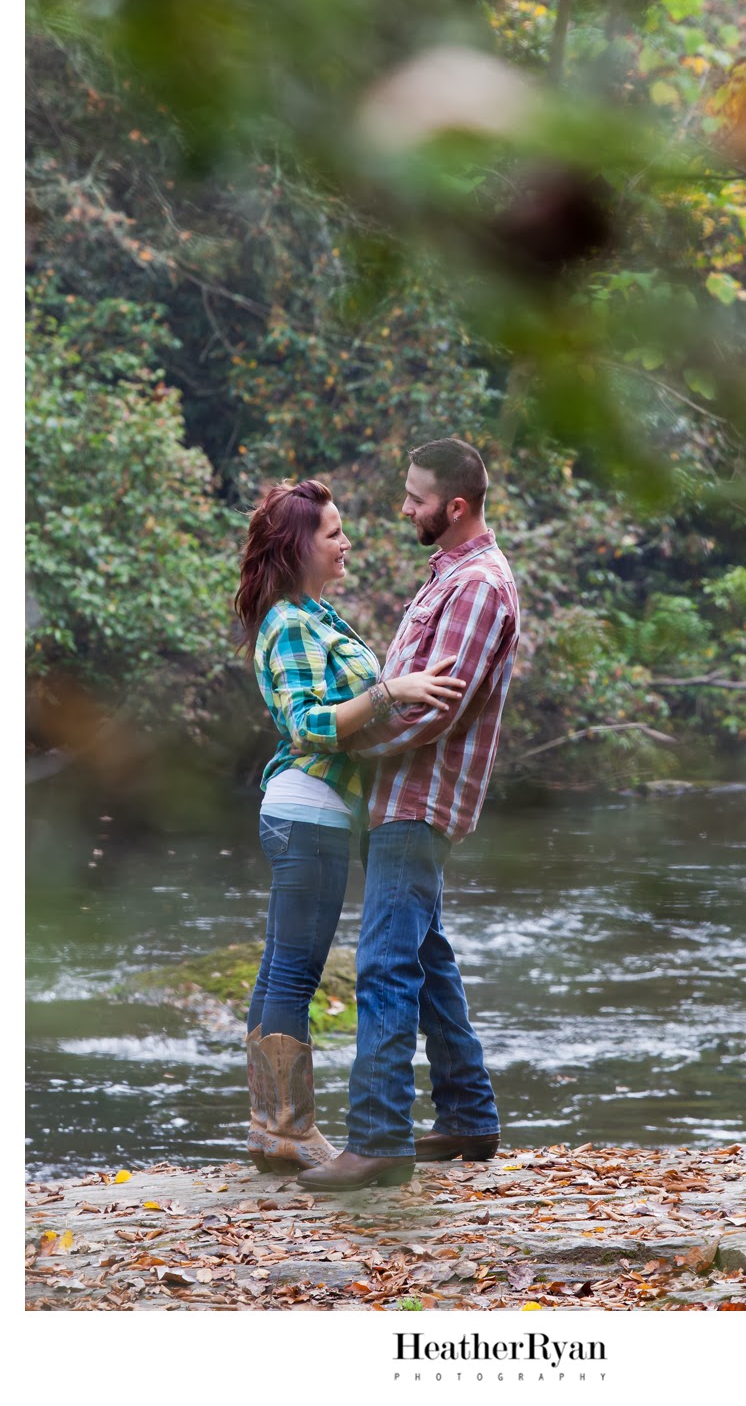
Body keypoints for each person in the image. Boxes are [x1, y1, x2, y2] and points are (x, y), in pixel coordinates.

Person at [299, 437, 520, 1190]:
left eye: (416, 498)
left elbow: (434, 712)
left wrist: (345, 743)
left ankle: (378, 1141)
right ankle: (468, 1115)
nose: (404, 508)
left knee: (385, 962)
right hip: (402, 797)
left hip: (418, 798)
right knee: (426, 958)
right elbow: (409, 690)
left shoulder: (479, 586)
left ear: (454, 506)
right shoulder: (449, 577)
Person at [234, 478, 465, 1173]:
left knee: (283, 965)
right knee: (294, 971)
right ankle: (282, 1128)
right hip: (309, 813)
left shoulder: (318, 614)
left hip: (320, 816)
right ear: (298, 544)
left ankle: (275, 1127)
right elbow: (305, 723)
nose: (346, 541)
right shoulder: (291, 623)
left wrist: (406, 687)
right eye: (333, 531)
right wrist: (390, 690)